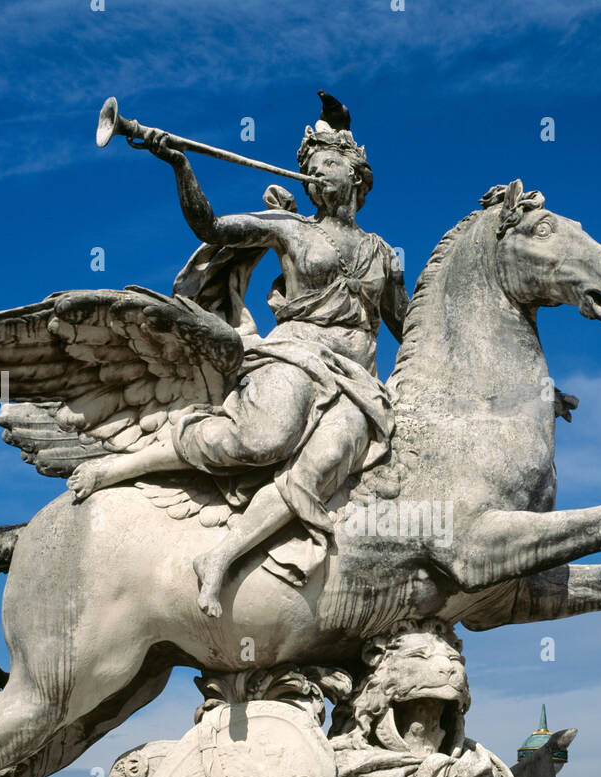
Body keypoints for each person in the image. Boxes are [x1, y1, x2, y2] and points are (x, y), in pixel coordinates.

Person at [67, 97, 408, 616]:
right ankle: (126, 465)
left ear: (357, 174)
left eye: (327, 166)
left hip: (357, 383)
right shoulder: (290, 228)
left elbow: (407, 325)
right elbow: (210, 228)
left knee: (318, 470)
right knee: (265, 437)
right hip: (296, 356)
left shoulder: (384, 253)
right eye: (308, 170)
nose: (314, 176)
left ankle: (222, 556)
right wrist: (181, 165)